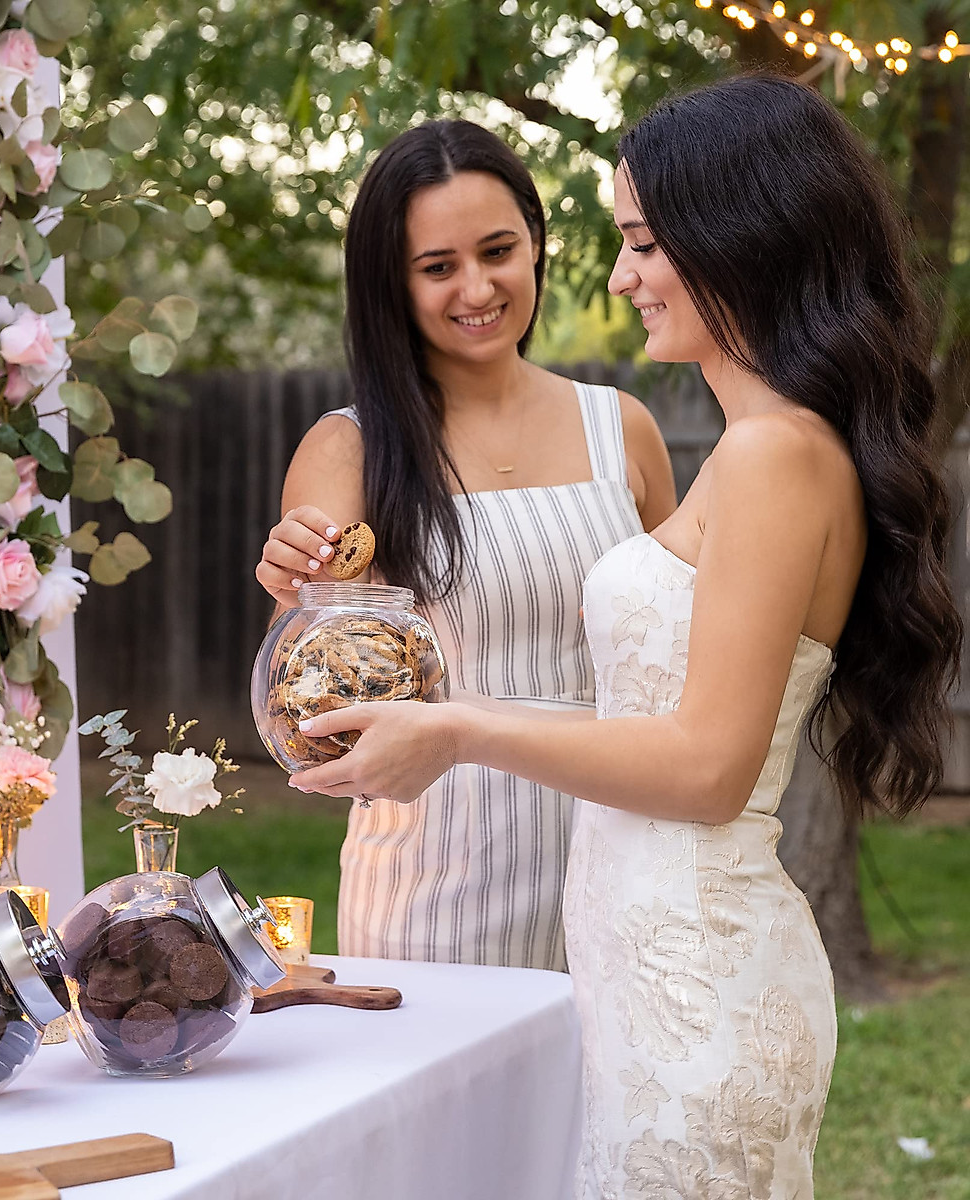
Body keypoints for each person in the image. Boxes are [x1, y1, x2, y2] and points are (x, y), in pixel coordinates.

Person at [286, 76, 963, 1197]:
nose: (618, 277)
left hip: (693, 976)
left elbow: (705, 765)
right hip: (637, 962)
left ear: (740, 237)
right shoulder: (759, 449)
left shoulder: (769, 456)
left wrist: (456, 729)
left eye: (645, 243)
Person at [256, 119, 676, 971]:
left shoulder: (621, 428)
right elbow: (310, 694)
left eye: (498, 251)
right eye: (437, 267)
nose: (477, 287)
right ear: (392, 284)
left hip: (627, 870)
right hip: (437, 888)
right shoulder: (352, 450)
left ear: (536, 244)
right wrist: (290, 585)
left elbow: (675, 649)